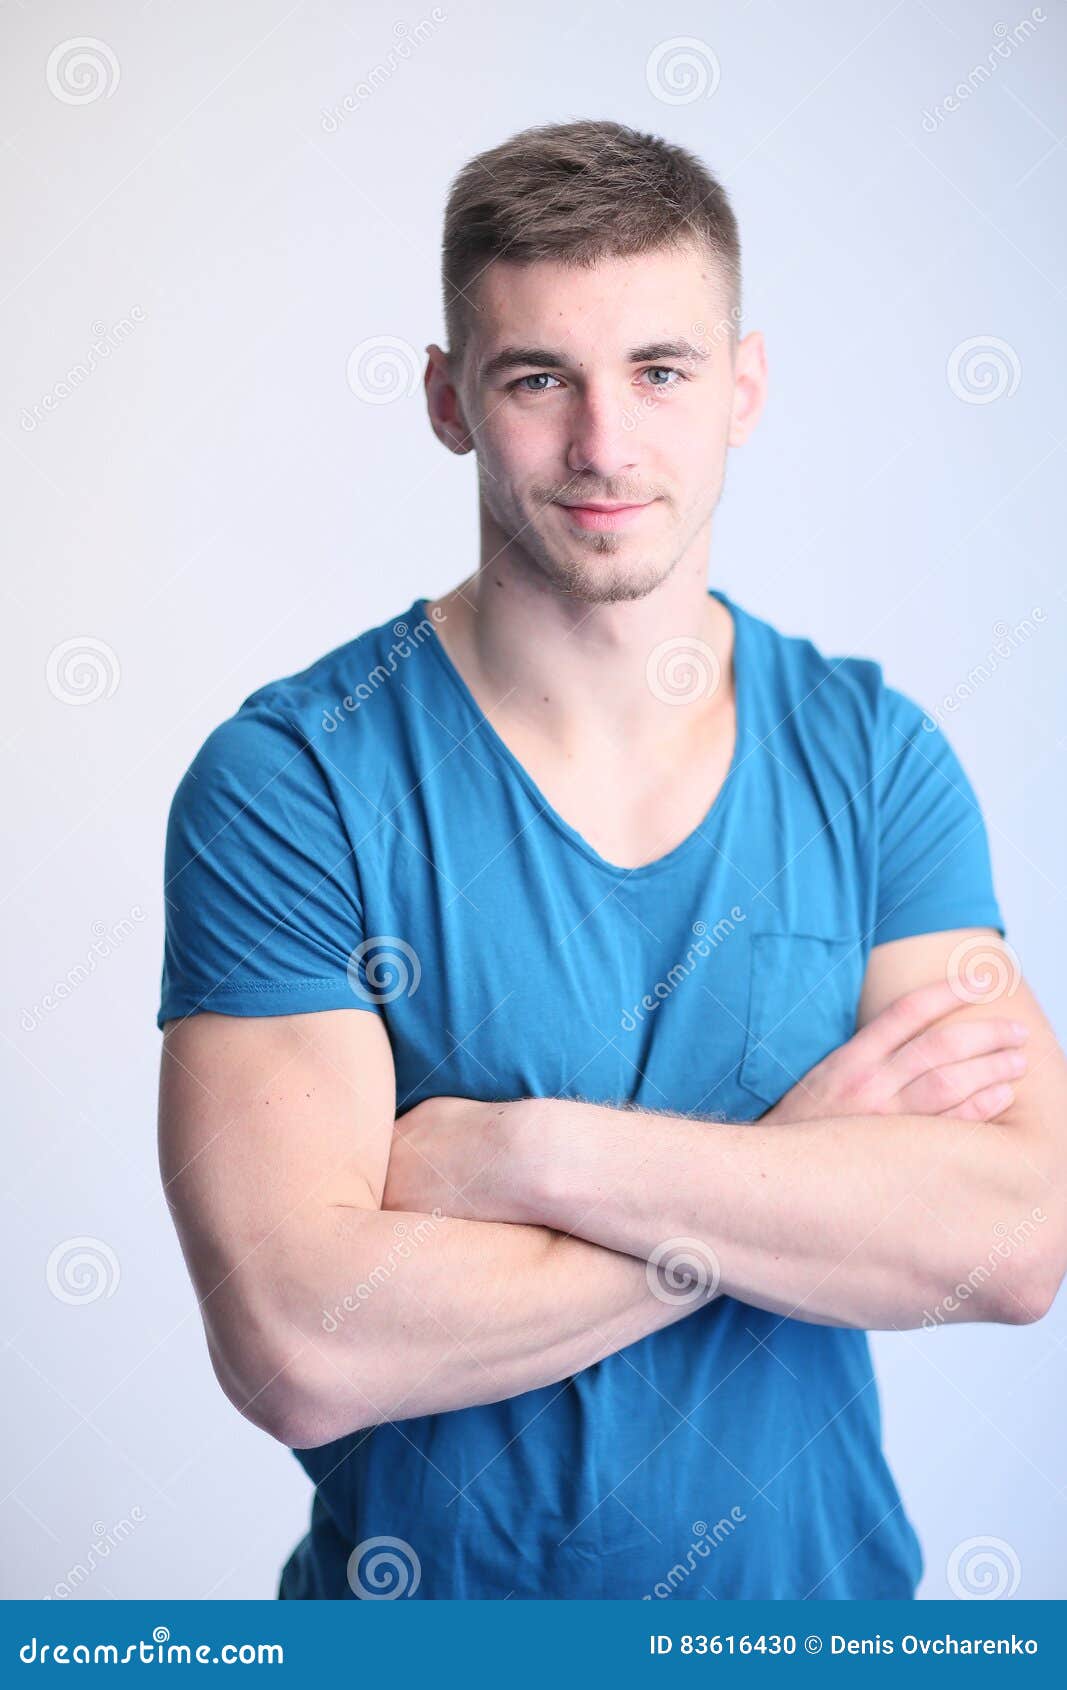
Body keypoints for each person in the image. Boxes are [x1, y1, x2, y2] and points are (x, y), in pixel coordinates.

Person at [156, 119, 1066, 1601]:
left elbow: (1015, 1240)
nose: (604, 444)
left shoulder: (873, 757)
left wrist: (531, 1153)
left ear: (743, 390)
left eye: (660, 370)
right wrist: (793, 1181)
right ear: (452, 400)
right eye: (537, 379)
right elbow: (301, 1344)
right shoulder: (296, 780)